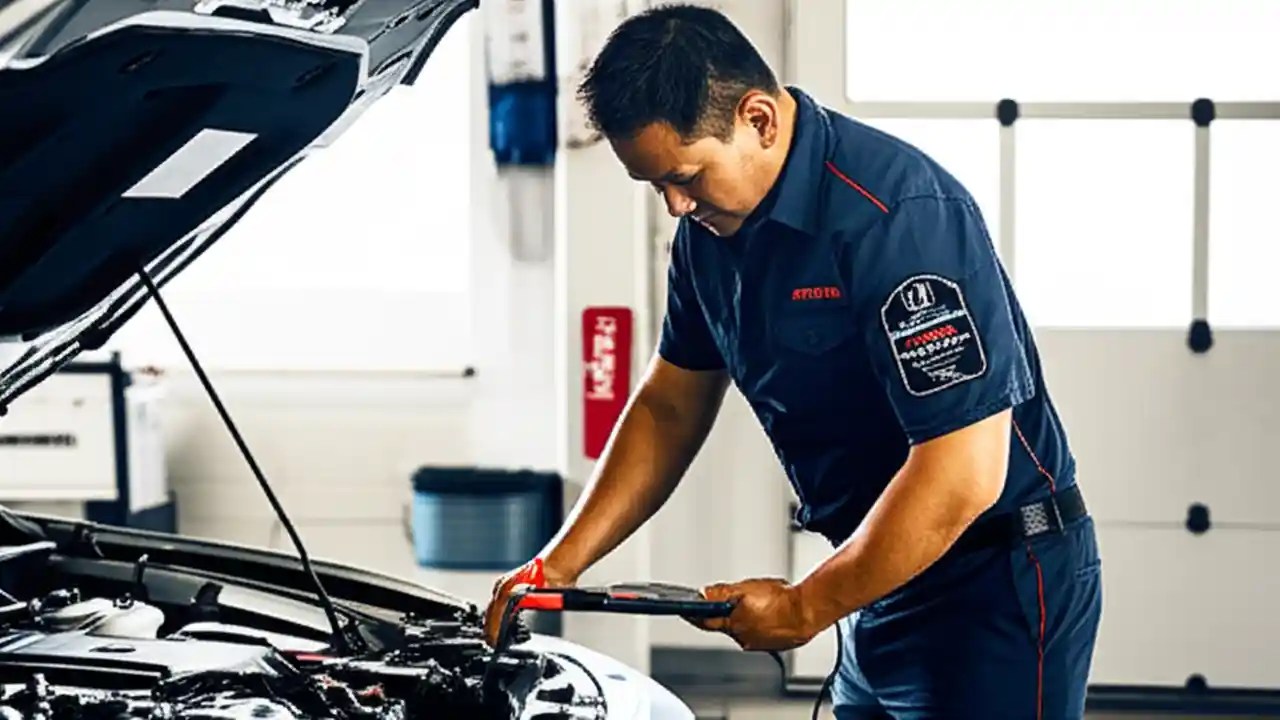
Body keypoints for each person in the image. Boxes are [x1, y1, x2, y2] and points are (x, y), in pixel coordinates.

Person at [484, 4, 1102, 718]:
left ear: (759, 120)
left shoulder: (898, 217)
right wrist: (558, 564)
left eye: (687, 176)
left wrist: (808, 605)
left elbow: (961, 473)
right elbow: (669, 407)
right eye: (655, 186)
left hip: (990, 590)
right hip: (874, 582)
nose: (675, 206)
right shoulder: (708, 236)